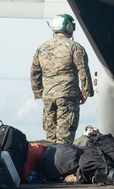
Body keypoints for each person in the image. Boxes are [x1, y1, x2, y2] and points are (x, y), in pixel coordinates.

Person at [30, 14, 93, 144]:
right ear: (69, 27)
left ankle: (49, 162)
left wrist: (39, 93)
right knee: (65, 139)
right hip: (67, 96)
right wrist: (86, 92)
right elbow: (84, 71)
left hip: (48, 97)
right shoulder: (75, 47)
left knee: (50, 138)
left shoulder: (42, 48)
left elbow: (34, 73)